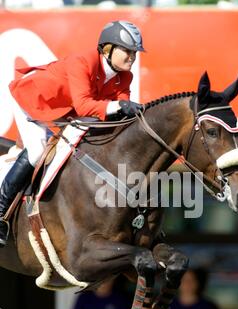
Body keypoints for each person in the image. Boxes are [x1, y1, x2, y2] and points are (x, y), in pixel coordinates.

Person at [0, 20, 144, 247]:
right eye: (127, 51)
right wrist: (118, 106)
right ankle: (1, 209)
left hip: (63, 111)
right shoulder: (83, 61)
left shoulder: (125, 77)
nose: (132, 57)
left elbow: (119, 112)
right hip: (32, 101)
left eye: (134, 52)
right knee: (37, 152)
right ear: (108, 49)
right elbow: (86, 106)